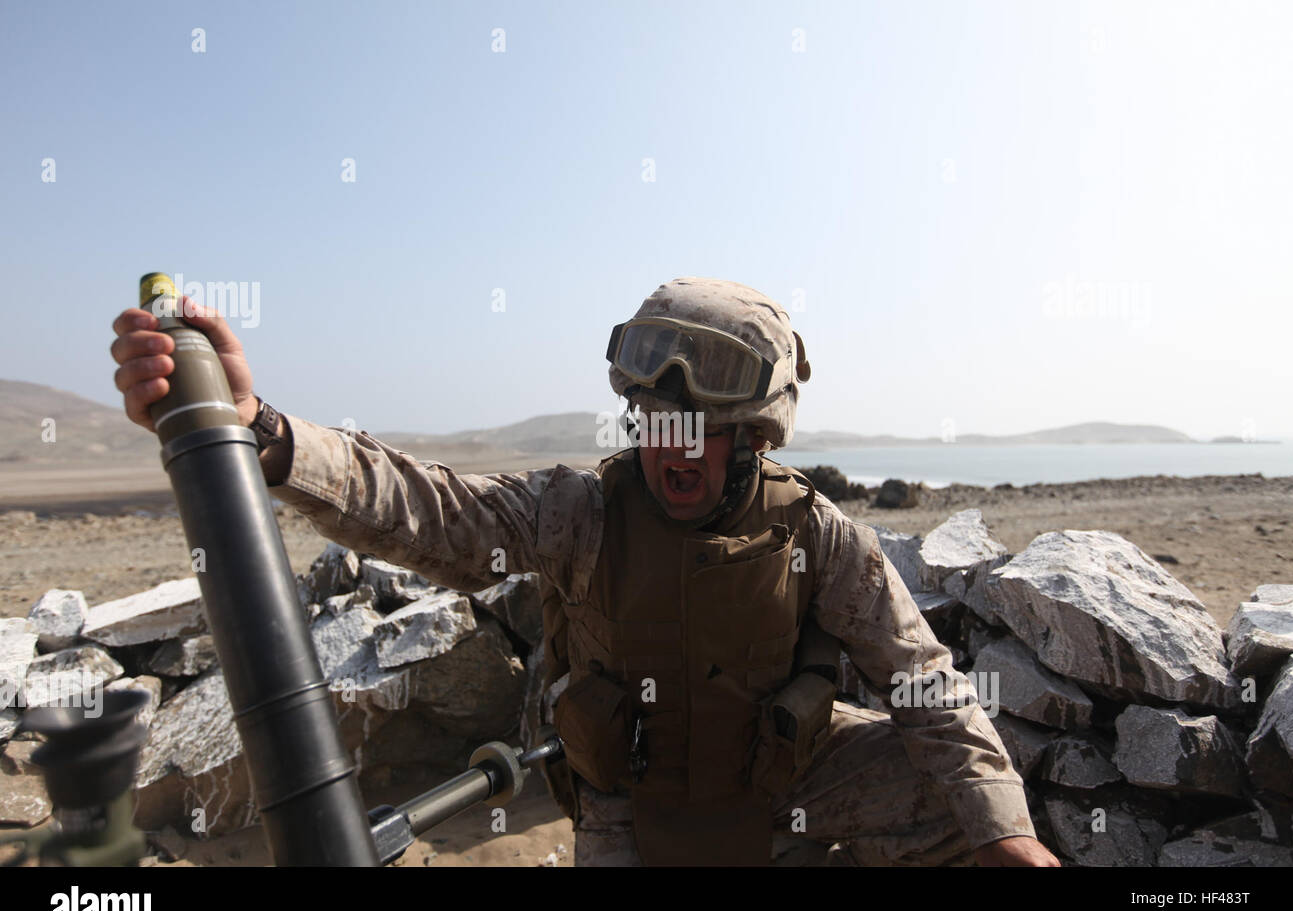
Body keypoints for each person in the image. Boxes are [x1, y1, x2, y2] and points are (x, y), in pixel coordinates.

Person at [110, 276, 1059, 867]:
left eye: (699, 429)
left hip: (781, 788)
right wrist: (266, 432)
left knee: (965, 804)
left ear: (754, 435)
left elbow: (929, 685)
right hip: (632, 814)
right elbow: (430, 509)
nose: (670, 448)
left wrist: (1004, 829)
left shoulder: (819, 535)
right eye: (654, 423)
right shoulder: (580, 514)